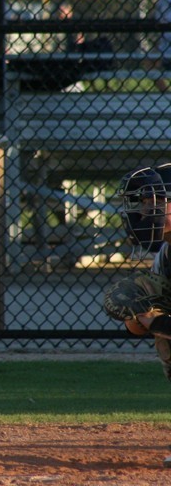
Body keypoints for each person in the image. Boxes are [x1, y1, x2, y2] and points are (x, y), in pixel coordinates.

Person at [108, 164, 171, 382]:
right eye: (144, 202)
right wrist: (138, 317)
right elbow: (137, 328)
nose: (145, 211)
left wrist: (158, 323)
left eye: (155, 202)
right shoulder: (165, 254)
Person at [153, 0, 171, 92]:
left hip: (166, 46)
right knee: (149, 61)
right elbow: (159, 14)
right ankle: (166, 94)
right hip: (167, 47)